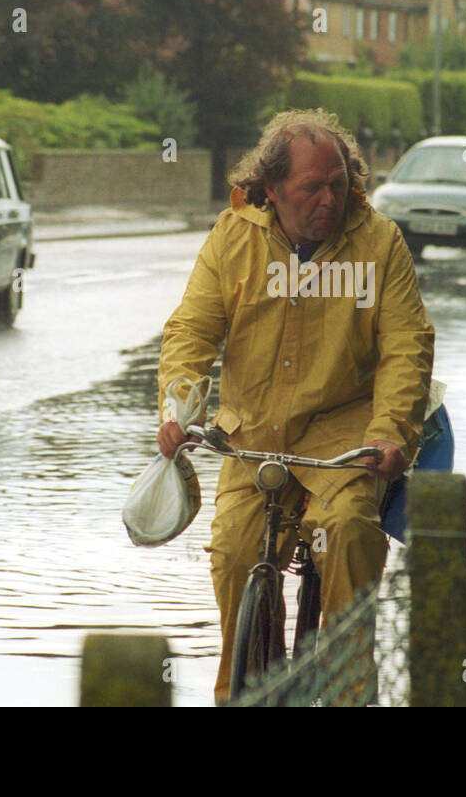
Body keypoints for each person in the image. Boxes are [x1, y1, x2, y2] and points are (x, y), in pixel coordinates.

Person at [156, 108, 435, 703]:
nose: (328, 198)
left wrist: (390, 433)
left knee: (348, 533)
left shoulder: (380, 243)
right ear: (273, 188)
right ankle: (242, 694)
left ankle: (349, 692)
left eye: (338, 183)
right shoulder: (232, 238)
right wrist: (178, 407)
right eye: (312, 187)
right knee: (233, 554)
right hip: (251, 439)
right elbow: (191, 332)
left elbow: (407, 346)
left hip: (344, 440)